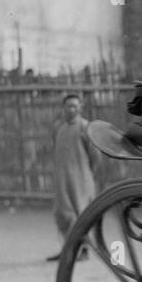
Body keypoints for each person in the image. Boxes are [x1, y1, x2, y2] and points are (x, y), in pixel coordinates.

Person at [47, 93, 100, 262]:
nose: (71, 109)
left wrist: (87, 174)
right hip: (63, 179)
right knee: (62, 213)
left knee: (81, 213)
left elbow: (95, 156)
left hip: (81, 179)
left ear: (80, 107)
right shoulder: (59, 128)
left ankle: (84, 250)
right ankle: (67, 249)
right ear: (63, 108)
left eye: (74, 106)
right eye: (68, 106)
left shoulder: (86, 127)